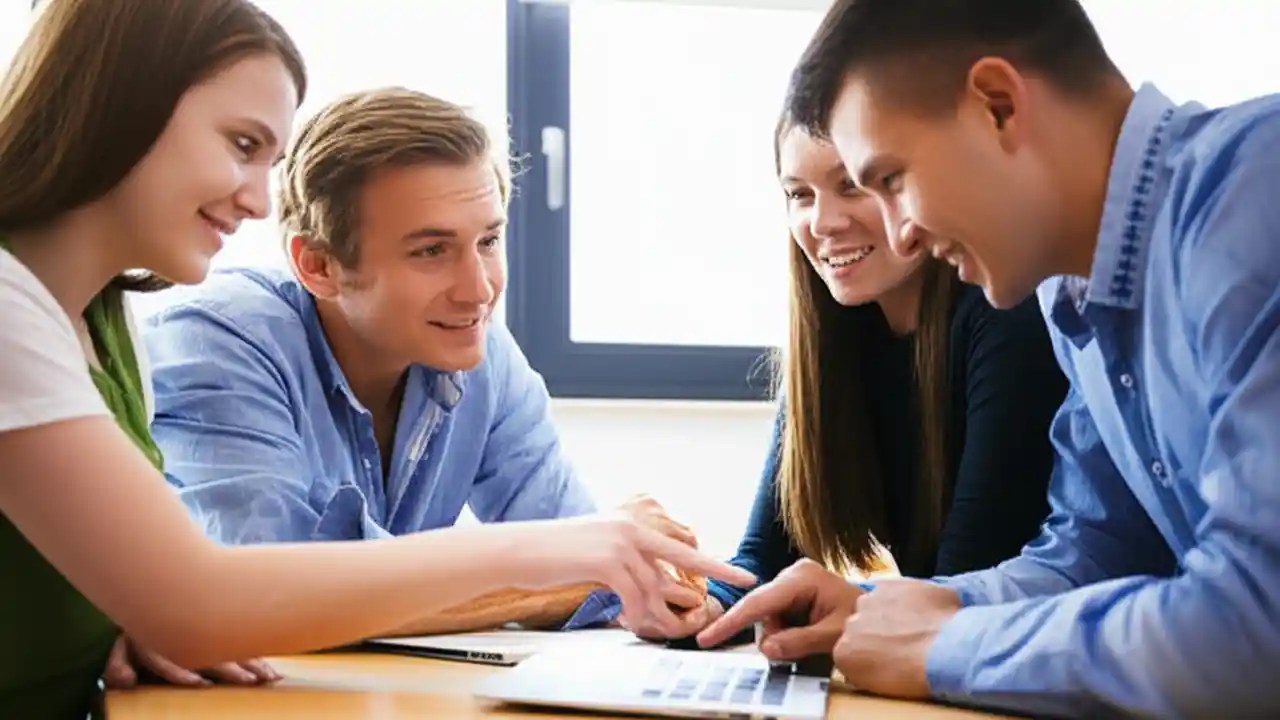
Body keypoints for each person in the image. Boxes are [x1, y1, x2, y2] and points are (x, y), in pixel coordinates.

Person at [0, 1, 753, 717]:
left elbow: (186, 601)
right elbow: (226, 597)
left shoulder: (99, 319)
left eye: (490, 240)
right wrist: (556, 555)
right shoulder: (48, 314)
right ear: (124, 107)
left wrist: (162, 608)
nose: (262, 200)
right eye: (241, 145)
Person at [698, 0, 1280, 717]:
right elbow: (1093, 553)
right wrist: (881, 610)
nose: (902, 234)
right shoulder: (1071, 294)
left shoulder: (1254, 191)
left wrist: (943, 647)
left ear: (997, 106)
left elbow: (1259, 621)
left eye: (892, 180)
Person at [140, 88, 686, 656]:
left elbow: (596, 564)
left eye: (489, 241)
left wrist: (614, 570)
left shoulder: (482, 355)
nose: (479, 290)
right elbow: (267, 605)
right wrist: (560, 569)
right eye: (431, 251)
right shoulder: (218, 340)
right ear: (319, 265)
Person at [623, 110, 1064, 641]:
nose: (822, 222)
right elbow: (764, 557)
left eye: (851, 186)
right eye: (799, 195)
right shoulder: (834, 339)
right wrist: (701, 608)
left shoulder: (1005, 316)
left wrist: (853, 608)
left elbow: (964, 587)